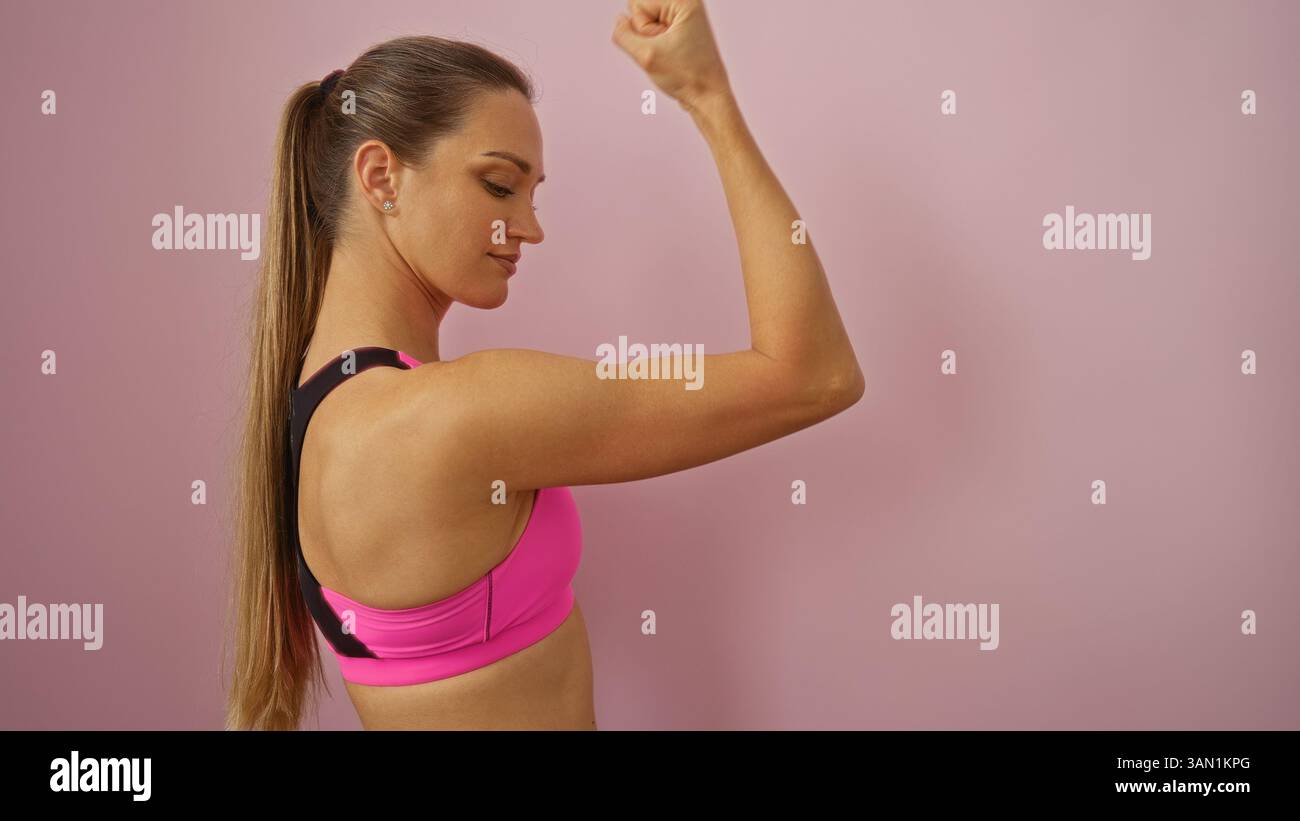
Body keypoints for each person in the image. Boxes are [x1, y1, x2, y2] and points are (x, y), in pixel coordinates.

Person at [225, 0, 864, 731]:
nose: (529, 226)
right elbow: (813, 374)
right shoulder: (455, 413)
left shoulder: (318, 411)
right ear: (380, 177)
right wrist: (707, 98)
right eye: (499, 185)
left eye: (532, 193)